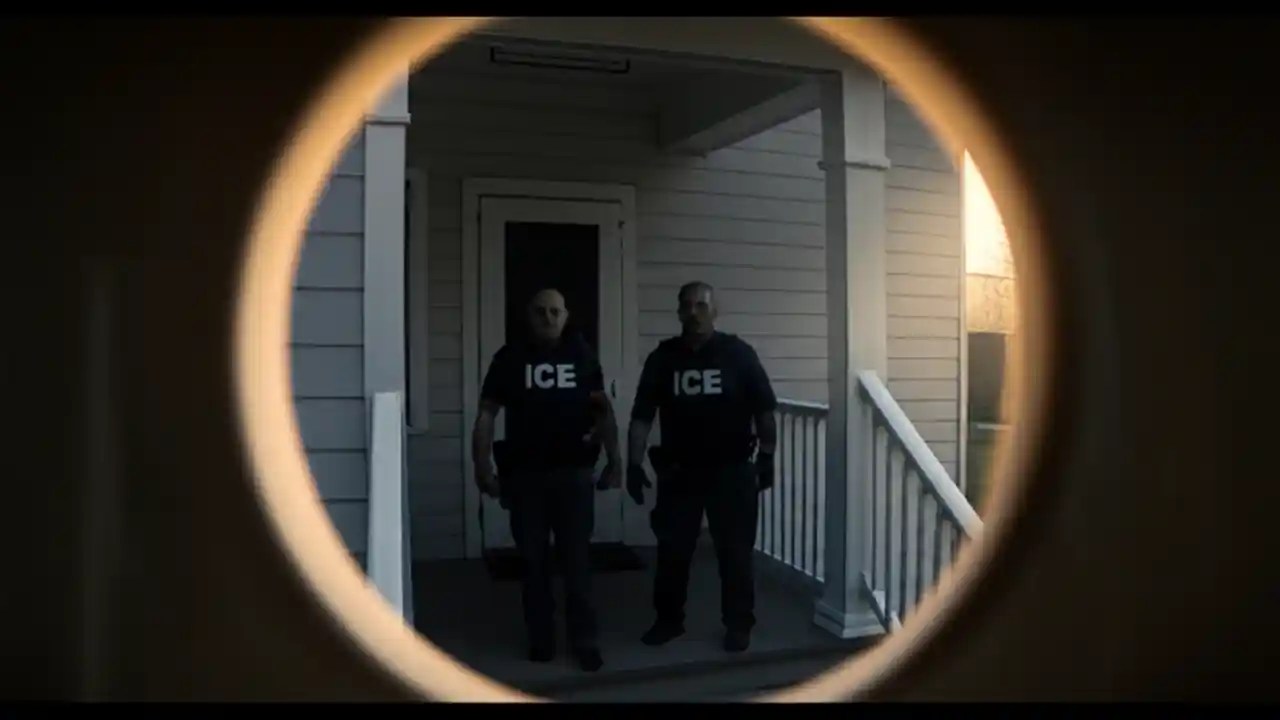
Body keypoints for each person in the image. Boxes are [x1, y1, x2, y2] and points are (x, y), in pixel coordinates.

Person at [471, 288, 622, 672]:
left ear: (567, 316)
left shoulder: (582, 356)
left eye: (556, 311)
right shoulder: (509, 358)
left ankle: (584, 639)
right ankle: (541, 638)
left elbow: (603, 410)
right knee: (533, 563)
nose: (548, 318)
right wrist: (482, 464)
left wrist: (615, 460)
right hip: (525, 478)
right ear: (528, 315)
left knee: (577, 561)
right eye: (540, 311)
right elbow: (487, 413)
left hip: (573, 475)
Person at [625, 281, 778, 653]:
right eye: (688, 306)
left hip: (732, 471)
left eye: (702, 306)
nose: (694, 313)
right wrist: (632, 462)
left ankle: (739, 624)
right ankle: (668, 621)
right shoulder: (663, 358)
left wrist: (768, 457)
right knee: (673, 551)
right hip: (680, 473)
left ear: (714, 311)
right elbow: (642, 416)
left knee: (736, 553)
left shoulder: (739, 354)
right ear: (678, 312)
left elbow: (764, 409)